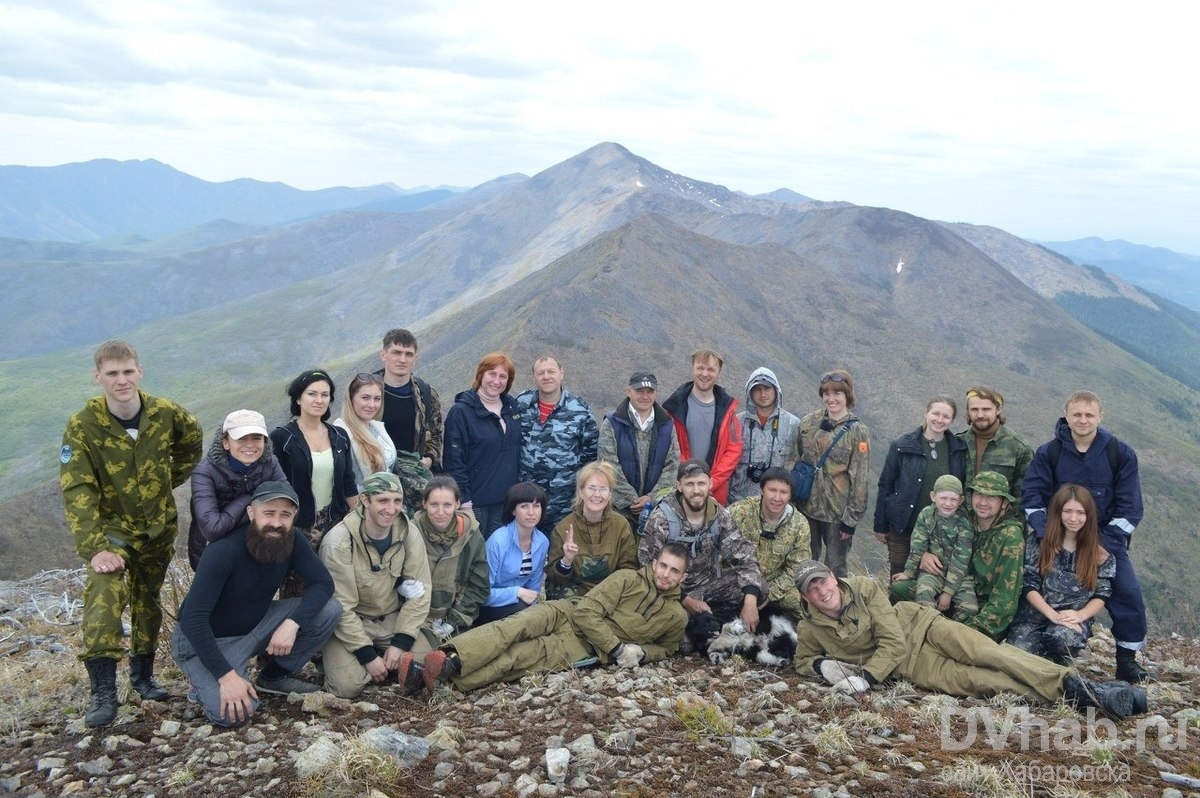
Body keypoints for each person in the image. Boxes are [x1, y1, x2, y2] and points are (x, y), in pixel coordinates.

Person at [792, 561, 1147, 719]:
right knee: (983, 682)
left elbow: (892, 640)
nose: (823, 591)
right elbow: (802, 661)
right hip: (913, 667)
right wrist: (823, 666)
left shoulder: (865, 588)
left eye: (824, 582)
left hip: (922, 627)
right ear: (806, 598)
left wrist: (865, 677)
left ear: (833, 580)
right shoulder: (810, 629)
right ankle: (1081, 698)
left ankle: (1079, 685)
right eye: (813, 589)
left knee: (992, 654)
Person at [61, 339, 204, 727]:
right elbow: (78, 489)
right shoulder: (84, 425)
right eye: (112, 374)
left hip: (157, 528)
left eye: (127, 372)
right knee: (104, 595)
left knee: (147, 599)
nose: (121, 380)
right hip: (112, 533)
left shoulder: (165, 412)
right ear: (98, 377)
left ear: (139, 372)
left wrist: (162, 482)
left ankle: (143, 676)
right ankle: (103, 691)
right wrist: (94, 547)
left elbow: (191, 445)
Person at [172, 481, 342, 727]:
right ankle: (204, 683)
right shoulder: (223, 551)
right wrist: (226, 676)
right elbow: (193, 619)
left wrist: (293, 623)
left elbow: (323, 583)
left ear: (294, 515)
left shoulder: (291, 540)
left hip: (255, 626)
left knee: (329, 609)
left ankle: (274, 677)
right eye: (268, 513)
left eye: (285, 514)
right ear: (252, 513)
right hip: (204, 641)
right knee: (235, 716)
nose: (276, 522)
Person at [418, 543, 691, 692]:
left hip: (583, 647)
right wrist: (618, 648)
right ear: (654, 563)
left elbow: (667, 648)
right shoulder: (627, 579)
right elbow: (586, 611)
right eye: (663, 566)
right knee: (513, 626)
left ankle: (448, 681)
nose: (665, 574)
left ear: (683, 577)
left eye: (674, 571)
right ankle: (449, 658)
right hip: (567, 613)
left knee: (521, 657)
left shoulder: (676, 616)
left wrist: (642, 652)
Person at [1022, 390, 1147, 682]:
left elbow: (1131, 509)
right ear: (1066, 415)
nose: (1083, 420)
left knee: (1127, 594)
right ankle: (1033, 645)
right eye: (1076, 414)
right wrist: (1047, 536)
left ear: (1100, 417)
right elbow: (1032, 498)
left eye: (1089, 415)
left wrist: (1103, 544)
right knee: (1030, 584)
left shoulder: (1120, 453)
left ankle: (1127, 659)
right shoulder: (1048, 453)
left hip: (1103, 541)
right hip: (1057, 538)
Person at [318, 472, 432, 699]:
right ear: (365, 501)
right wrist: (367, 655)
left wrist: (401, 642)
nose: (391, 509)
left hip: (391, 619)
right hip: (352, 624)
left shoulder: (409, 533)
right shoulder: (339, 542)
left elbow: (420, 592)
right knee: (346, 687)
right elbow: (340, 606)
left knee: (427, 669)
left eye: (397, 501)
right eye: (382, 500)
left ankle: (388, 658)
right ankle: (346, 662)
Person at [639, 460, 766, 632]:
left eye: (701, 483)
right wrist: (685, 599)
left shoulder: (719, 515)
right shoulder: (661, 519)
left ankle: (713, 619)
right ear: (679, 486)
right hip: (671, 589)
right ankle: (695, 622)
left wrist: (750, 603)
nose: (696, 490)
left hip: (708, 583)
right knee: (681, 640)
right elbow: (647, 568)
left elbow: (745, 558)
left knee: (759, 590)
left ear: (710, 484)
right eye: (689, 484)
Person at [1008, 484, 1114, 664]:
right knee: (1018, 652)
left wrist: (1080, 616)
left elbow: (1102, 594)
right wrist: (1052, 615)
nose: (1074, 518)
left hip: (1071, 620)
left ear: (1089, 516)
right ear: (1057, 512)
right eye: (1068, 511)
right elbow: (1028, 584)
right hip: (1034, 617)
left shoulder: (1100, 554)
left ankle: (1058, 669)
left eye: (1080, 512)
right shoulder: (1038, 543)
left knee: (1061, 640)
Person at [873, 395, 966, 577]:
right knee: (900, 579)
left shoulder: (958, 450)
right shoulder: (902, 445)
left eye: (946, 416)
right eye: (935, 413)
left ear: (952, 420)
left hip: (941, 530)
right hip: (903, 526)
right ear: (926, 413)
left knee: (933, 580)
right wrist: (880, 525)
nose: (940, 420)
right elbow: (886, 484)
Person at [270, 369, 358, 557]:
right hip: (298, 526)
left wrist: (360, 518)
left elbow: (348, 482)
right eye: (312, 394)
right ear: (298, 399)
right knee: (300, 583)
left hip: (336, 523)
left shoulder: (340, 436)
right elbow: (273, 486)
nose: (319, 400)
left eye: (325, 395)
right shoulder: (281, 438)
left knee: (337, 580)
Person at [795, 369, 871, 578]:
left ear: (847, 395)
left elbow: (860, 478)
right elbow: (796, 458)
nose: (831, 398)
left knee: (836, 568)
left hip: (837, 513)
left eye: (837, 393)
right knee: (804, 563)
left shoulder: (858, 432)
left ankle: (838, 608)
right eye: (827, 393)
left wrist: (851, 520)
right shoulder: (808, 423)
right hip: (806, 507)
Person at [188, 409, 286, 569]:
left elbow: (291, 510)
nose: (250, 444)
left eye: (257, 438)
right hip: (214, 556)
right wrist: (250, 499)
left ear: (265, 442)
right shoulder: (205, 472)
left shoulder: (271, 463)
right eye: (241, 438)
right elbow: (212, 529)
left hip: (256, 551)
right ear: (225, 442)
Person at [515, 355, 600, 529]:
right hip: (526, 501)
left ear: (561, 373)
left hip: (563, 503)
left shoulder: (579, 410)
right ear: (534, 377)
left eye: (551, 371)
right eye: (541, 373)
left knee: (560, 551)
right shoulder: (521, 404)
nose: (546, 376)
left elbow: (590, 456)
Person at [443, 352, 522, 537]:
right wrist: (465, 503)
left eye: (503, 376)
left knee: (499, 558)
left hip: (506, 503)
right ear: (481, 375)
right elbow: (454, 461)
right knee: (475, 558)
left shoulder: (513, 409)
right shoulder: (461, 412)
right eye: (491, 374)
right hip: (476, 505)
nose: (496, 381)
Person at [410, 475, 491, 653]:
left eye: (447, 505)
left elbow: (479, 587)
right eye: (434, 504)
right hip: (415, 616)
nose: (440, 512)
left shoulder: (472, 535)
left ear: (457, 504)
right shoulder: (410, 532)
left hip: (454, 618)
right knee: (417, 658)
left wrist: (453, 622)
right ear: (424, 504)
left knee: (466, 657)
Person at [597, 371, 680, 530]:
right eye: (639, 391)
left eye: (649, 391)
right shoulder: (612, 423)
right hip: (618, 511)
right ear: (628, 391)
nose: (645, 396)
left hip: (657, 511)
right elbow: (607, 464)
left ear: (656, 393)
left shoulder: (668, 425)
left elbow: (672, 466)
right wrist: (631, 500)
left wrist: (651, 498)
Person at [546, 461, 639, 599]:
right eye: (591, 488)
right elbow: (553, 579)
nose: (597, 494)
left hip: (609, 593)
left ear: (610, 494)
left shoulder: (621, 524)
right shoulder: (563, 528)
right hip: (574, 595)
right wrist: (566, 560)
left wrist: (608, 595)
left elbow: (629, 569)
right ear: (581, 492)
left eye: (603, 489)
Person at [662, 349, 743, 505]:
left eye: (711, 369)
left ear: (718, 373)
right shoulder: (673, 407)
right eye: (700, 368)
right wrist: (690, 479)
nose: (705, 374)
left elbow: (734, 449)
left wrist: (712, 481)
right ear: (693, 369)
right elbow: (669, 446)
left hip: (715, 493)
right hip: (680, 489)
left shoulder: (729, 412)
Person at [727, 467, 811, 617]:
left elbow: (796, 568)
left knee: (806, 606)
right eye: (772, 490)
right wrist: (749, 593)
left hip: (776, 586)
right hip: (738, 581)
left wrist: (768, 594)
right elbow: (721, 549)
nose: (777, 498)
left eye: (783, 492)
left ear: (790, 496)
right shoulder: (740, 511)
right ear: (761, 490)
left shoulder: (799, 524)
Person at [889, 475, 976, 617]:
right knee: (924, 593)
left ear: (961, 500)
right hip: (934, 571)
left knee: (970, 608)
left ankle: (951, 633)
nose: (948, 503)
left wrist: (948, 592)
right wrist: (908, 572)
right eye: (943, 498)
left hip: (960, 576)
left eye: (953, 499)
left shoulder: (964, 524)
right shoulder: (926, 515)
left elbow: (961, 560)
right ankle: (926, 626)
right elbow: (918, 545)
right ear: (933, 496)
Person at [958, 471, 1027, 639]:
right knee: (902, 590)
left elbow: (1005, 601)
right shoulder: (963, 521)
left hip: (986, 611)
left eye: (991, 497)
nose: (983, 502)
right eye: (978, 495)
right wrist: (926, 555)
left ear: (1004, 503)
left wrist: (968, 629)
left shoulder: (1010, 537)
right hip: (957, 595)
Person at [476, 481, 550, 625]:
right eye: (524, 506)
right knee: (523, 613)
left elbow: (533, 589)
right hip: (488, 607)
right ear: (513, 510)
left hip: (520, 605)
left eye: (536, 506)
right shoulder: (498, 541)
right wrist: (517, 592)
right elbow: (482, 594)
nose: (531, 512)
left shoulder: (542, 542)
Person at [728, 367, 801, 504]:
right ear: (750, 393)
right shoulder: (736, 422)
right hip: (738, 502)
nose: (762, 394)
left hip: (776, 504)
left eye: (767, 389)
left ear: (776, 391)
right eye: (757, 389)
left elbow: (799, 464)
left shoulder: (793, 424)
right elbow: (727, 462)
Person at [376, 328, 443, 472]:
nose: (402, 359)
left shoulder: (426, 394)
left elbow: (436, 434)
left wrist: (429, 458)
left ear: (415, 359)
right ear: (383, 355)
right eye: (396, 352)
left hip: (414, 476)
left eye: (408, 354)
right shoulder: (367, 392)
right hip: (377, 477)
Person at [957, 386, 1032, 502]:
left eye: (986, 409)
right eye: (974, 409)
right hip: (960, 517)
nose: (980, 415)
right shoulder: (957, 443)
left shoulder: (1019, 447)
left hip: (1001, 519)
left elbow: (1025, 495)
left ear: (998, 410)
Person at [333, 372, 397, 491]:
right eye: (365, 398)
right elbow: (344, 483)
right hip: (361, 504)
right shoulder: (340, 434)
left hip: (387, 503)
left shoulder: (378, 428)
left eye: (377, 399)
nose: (372, 405)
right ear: (351, 399)